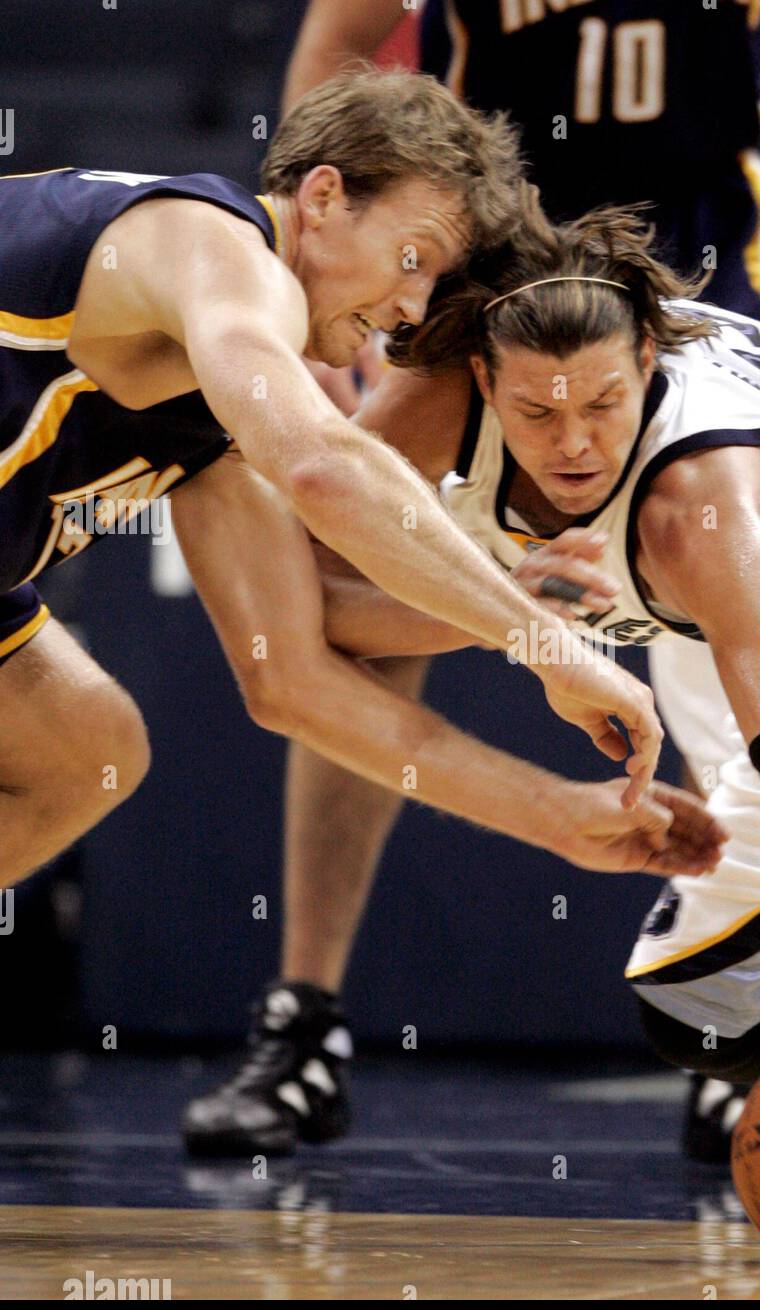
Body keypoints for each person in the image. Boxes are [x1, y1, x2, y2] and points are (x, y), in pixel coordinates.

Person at [201, 207, 760, 1165]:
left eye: (603, 405)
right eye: (537, 414)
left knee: (705, 998)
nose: (573, 445)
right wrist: (509, 614)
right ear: (482, 379)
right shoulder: (435, 392)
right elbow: (311, 614)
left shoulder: (698, 515)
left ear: (646, 360)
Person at [185, 0, 760, 1162]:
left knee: (722, 606)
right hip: (477, 250)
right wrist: (324, 283)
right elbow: (339, 39)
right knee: (343, 582)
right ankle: (303, 1019)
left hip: (692, 252)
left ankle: (737, 1004)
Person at [0, 72, 702, 906]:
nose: (412, 308)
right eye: (413, 259)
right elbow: (321, 465)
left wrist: (553, 813)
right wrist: (540, 642)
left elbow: (292, 674)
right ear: (324, 196)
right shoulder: (212, 243)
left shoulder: (216, 402)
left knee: (83, 751)